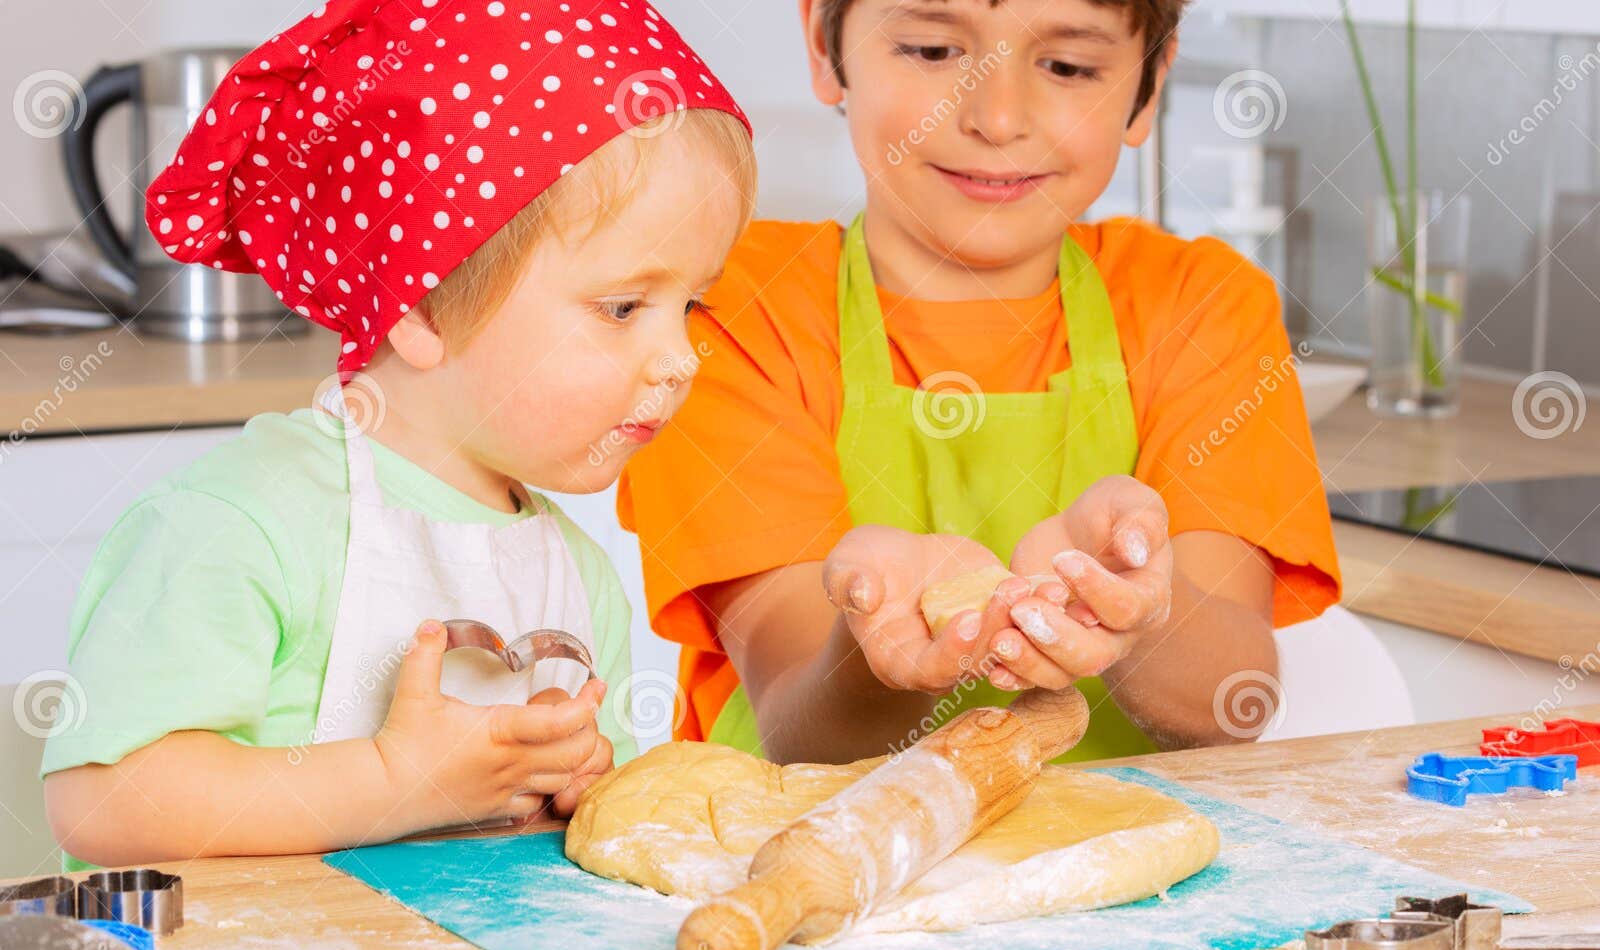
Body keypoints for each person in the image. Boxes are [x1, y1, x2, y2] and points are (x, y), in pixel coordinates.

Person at [41, 0, 756, 867]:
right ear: (418, 306)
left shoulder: (576, 576)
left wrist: (585, 788)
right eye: (623, 307)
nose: (680, 359)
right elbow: (104, 799)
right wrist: (394, 779)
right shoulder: (244, 523)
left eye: (693, 306)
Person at [620, 0, 1340, 765]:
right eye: (932, 50)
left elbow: (1230, 702)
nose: (998, 118)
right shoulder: (726, 316)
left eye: (1067, 67)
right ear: (826, 51)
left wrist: (1131, 604)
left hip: (1117, 874)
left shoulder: (1203, 308)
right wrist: (883, 645)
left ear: (1148, 88)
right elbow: (806, 732)